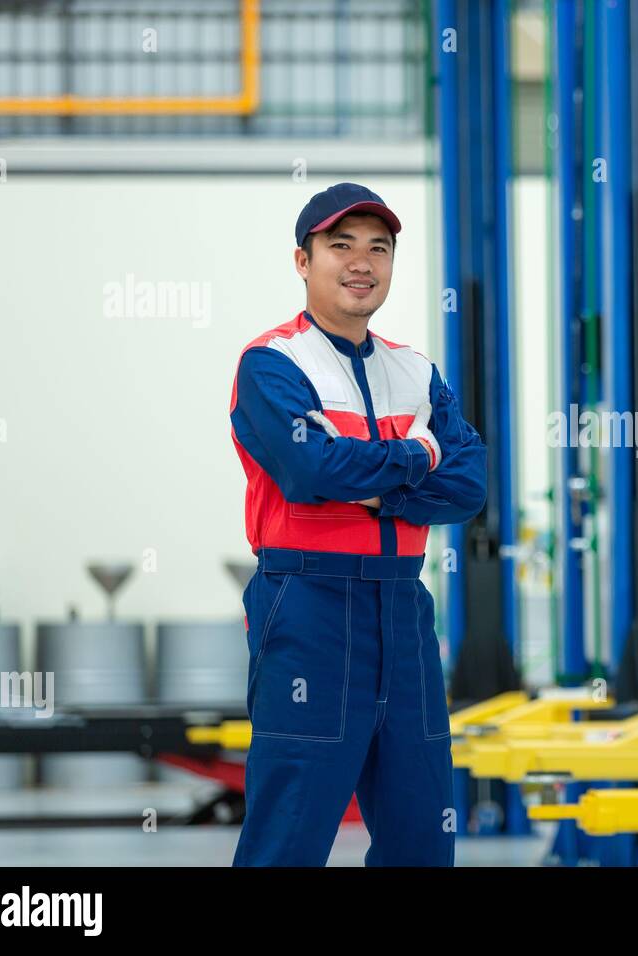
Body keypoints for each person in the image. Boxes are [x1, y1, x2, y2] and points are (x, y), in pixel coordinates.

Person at [228, 182, 486, 866]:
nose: (361, 261)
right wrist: (417, 455)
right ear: (302, 261)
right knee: (290, 835)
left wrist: (382, 491)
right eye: (340, 245)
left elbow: (468, 486)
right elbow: (311, 473)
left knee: (424, 837)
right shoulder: (272, 364)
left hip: (403, 608)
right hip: (309, 606)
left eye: (378, 247)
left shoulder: (416, 371)